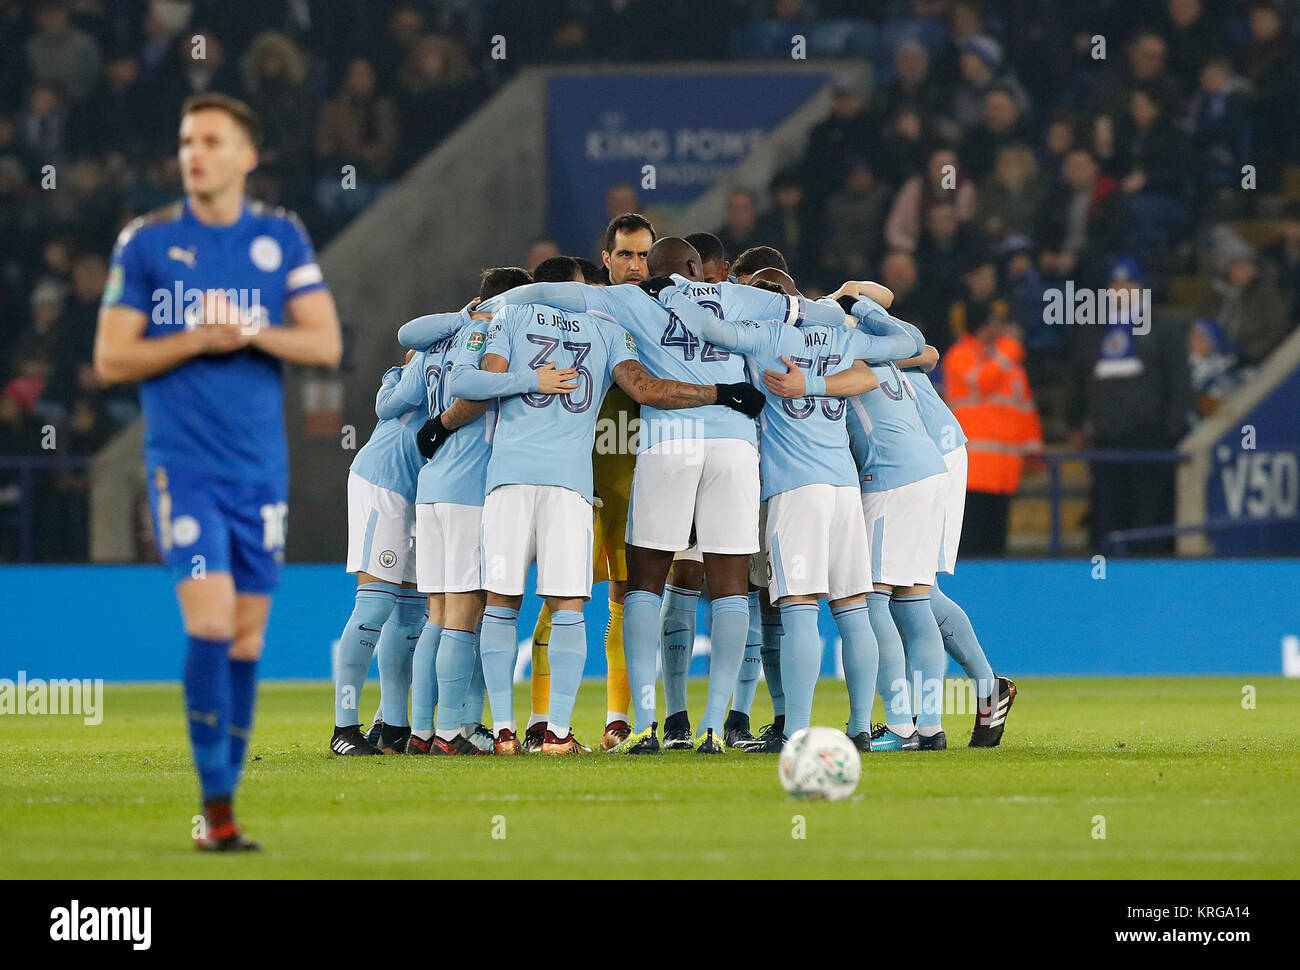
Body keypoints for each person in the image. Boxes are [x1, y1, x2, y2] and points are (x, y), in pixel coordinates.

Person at [478, 237, 844, 753]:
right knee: (731, 585)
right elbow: (813, 312)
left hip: (668, 441)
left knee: (646, 582)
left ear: (653, 269)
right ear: (698, 268)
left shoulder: (634, 301)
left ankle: (650, 724)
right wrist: (851, 303)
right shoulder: (738, 297)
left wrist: (491, 305)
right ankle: (715, 726)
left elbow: (559, 297)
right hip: (734, 443)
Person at [93, 93, 342, 850]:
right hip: (185, 468)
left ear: (246, 156)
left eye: (209, 140)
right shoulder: (146, 243)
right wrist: (195, 341)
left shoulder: (279, 238)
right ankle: (220, 810)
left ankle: (224, 812)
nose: (192, 153)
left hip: (260, 472)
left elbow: (325, 344)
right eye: (185, 140)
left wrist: (251, 332)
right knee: (207, 623)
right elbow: (111, 358)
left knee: (244, 643)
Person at [453, 294, 762, 754]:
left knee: (501, 603)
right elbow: (644, 389)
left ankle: (503, 731)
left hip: (509, 480)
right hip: (571, 487)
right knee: (568, 608)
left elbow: (474, 382)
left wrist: (517, 370)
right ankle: (557, 732)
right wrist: (720, 393)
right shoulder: (606, 328)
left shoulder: (514, 314)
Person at [653, 274, 922, 750]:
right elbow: (910, 342)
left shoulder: (767, 334)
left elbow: (711, 330)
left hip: (796, 491)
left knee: (799, 608)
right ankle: (860, 726)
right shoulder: (840, 335)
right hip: (843, 486)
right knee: (853, 610)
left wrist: (675, 294)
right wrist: (859, 309)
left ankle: (795, 728)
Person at [944, 319, 1041, 557]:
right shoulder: (961, 355)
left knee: (996, 550)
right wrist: (1010, 347)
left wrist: (1033, 452)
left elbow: (1025, 409)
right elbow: (982, 381)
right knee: (968, 549)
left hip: (1005, 473)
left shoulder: (1012, 367)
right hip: (972, 472)